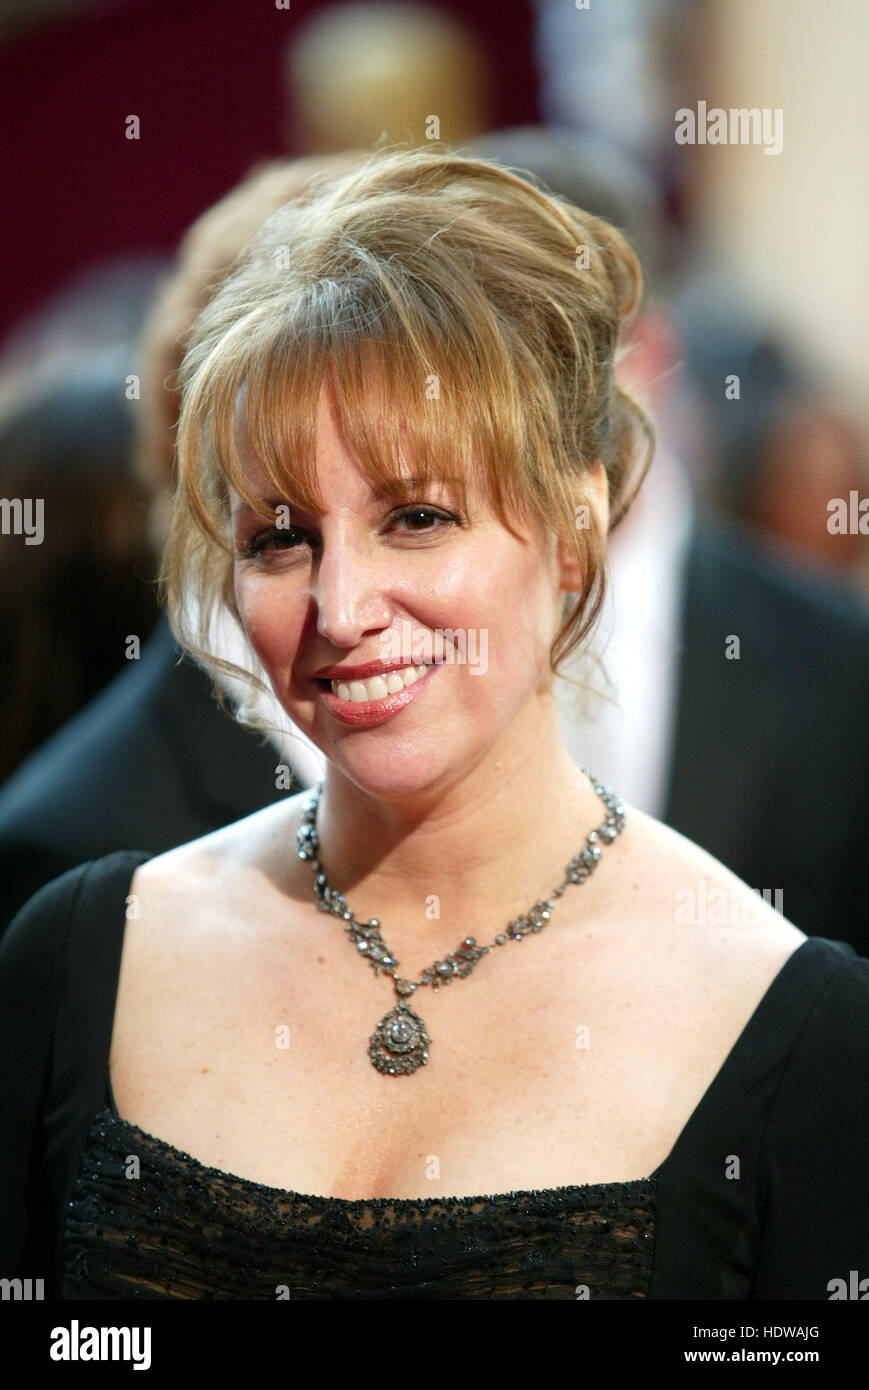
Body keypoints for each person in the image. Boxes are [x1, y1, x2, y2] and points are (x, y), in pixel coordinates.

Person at [1, 146, 866, 1300]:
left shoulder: (799, 1029)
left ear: (574, 523)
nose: (340, 608)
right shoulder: (74, 958)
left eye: (415, 515)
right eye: (277, 536)